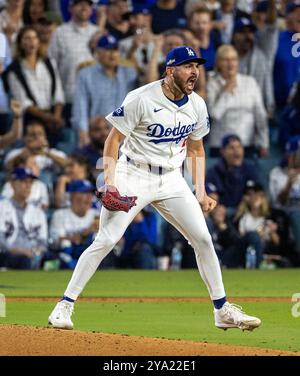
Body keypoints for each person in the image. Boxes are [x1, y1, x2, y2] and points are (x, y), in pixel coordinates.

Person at [48, 45, 261, 331]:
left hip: (172, 177)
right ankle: (64, 306)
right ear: (170, 70)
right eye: (187, 66)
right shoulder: (141, 98)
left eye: (196, 66)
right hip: (133, 172)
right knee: (107, 240)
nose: (194, 71)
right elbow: (113, 141)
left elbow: (196, 149)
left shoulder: (196, 104)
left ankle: (222, 310)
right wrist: (110, 182)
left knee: (203, 238)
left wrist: (200, 190)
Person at [72, 34, 138, 146]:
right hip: (97, 135)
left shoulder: (130, 73)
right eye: (107, 50)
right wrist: (83, 132)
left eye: (115, 50)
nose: (112, 54)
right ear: (97, 52)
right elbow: (80, 106)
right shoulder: (86, 74)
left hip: (124, 135)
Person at [3, 26, 65, 145]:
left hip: (53, 117)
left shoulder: (49, 63)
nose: (31, 42)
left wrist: (56, 116)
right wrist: (49, 118)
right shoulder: (14, 70)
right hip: (31, 119)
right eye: (27, 38)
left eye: (34, 38)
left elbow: (58, 93)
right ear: (20, 43)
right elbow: (24, 102)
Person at [207, 44, 269, 157]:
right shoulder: (212, 84)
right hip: (220, 146)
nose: (230, 64)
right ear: (218, 63)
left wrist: (263, 142)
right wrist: (226, 91)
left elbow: (260, 115)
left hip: (247, 143)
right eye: (226, 60)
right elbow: (215, 114)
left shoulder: (250, 82)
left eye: (233, 59)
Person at [48, 0, 99, 124]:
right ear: (70, 8)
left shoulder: (98, 33)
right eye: (79, 3)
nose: (84, 7)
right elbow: (51, 68)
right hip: (69, 97)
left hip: (96, 98)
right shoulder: (60, 32)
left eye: (88, 4)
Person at [0, 167, 48, 269]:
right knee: (23, 260)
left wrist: (35, 253)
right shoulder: (2, 207)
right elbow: (1, 239)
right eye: (23, 181)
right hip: (8, 254)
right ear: (12, 184)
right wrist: (15, 250)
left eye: (30, 182)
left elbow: (43, 242)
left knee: (56, 259)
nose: (28, 186)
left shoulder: (38, 211)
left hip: (32, 254)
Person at [50, 179, 99, 269]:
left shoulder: (96, 215)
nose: (89, 197)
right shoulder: (60, 215)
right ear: (72, 196)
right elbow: (56, 242)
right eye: (84, 192)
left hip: (89, 255)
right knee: (65, 248)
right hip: (68, 255)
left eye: (90, 193)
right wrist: (85, 233)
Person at [206, 134, 261, 209]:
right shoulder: (213, 171)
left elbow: (254, 192)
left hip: (244, 211)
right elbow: (210, 194)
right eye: (231, 148)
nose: (236, 151)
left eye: (239, 147)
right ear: (223, 151)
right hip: (220, 211)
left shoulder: (250, 169)